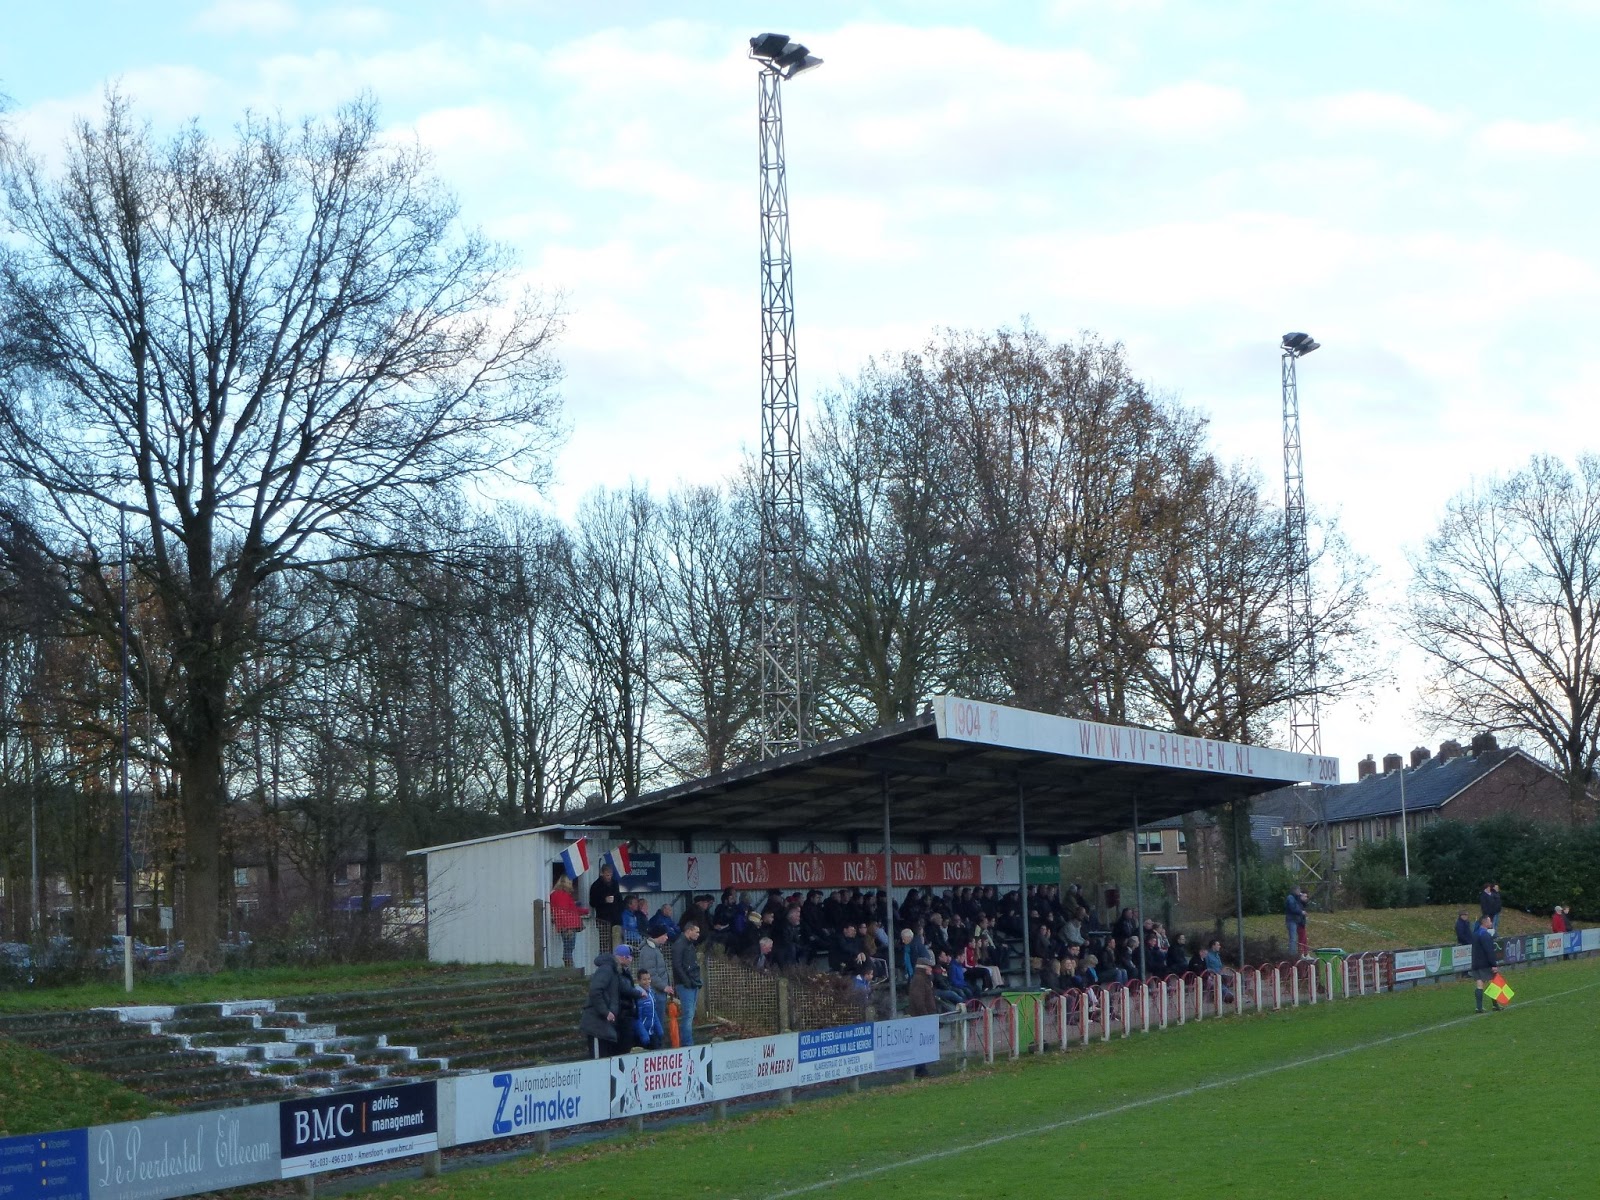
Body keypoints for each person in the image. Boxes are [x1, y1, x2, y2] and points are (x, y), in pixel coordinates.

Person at [580, 944, 630, 1057]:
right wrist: (605, 1011)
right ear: (622, 957)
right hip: (596, 1025)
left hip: (604, 1025)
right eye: (628, 957)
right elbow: (595, 991)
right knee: (598, 1060)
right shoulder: (606, 969)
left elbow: (622, 988)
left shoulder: (614, 971)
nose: (630, 959)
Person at [671, 920, 704, 1046]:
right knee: (688, 1015)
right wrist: (687, 981)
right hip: (685, 985)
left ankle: (688, 1041)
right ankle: (687, 1043)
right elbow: (677, 965)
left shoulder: (689, 944)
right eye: (696, 932)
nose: (698, 934)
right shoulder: (679, 945)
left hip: (692, 983)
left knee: (690, 1014)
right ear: (689, 930)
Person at [548, 874, 588, 968]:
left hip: (567, 925)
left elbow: (569, 910)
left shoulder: (558, 894)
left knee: (569, 947)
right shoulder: (562, 895)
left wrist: (585, 911)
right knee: (569, 947)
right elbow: (563, 911)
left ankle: (569, 967)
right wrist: (567, 927)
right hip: (569, 926)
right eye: (569, 882)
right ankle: (569, 968)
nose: (571, 884)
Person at [1471, 914, 1502, 1013]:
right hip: (1485, 963)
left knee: (1479, 984)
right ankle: (1495, 1005)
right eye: (1489, 921)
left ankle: (1479, 1007)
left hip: (1476, 963)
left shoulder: (1475, 933)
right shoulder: (1485, 935)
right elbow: (1489, 950)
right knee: (1493, 983)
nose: (1491, 923)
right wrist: (1493, 964)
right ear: (1484, 922)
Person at [589, 863, 622, 952]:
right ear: (602, 873)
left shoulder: (615, 883)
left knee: (616, 941)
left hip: (615, 918)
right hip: (603, 918)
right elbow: (592, 902)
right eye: (607, 875)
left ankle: (616, 961)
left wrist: (620, 912)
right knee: (604, 942)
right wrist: (604, 900)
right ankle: (605, 960)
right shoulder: (596, 886)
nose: (609, 877)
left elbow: (619, 899)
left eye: (610, 875)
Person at [632, 968, 665, 1049]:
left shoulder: (651, 993)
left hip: (651, 1033)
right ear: (639, 981)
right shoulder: (638, 996)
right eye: (644, 980)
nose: (647, 982)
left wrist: (659, 1030)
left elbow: (654, 1014)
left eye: (649, 979)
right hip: (641, 1036)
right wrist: (643, 1035)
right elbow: (637, 1018)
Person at [1285, 886, 1307, 959]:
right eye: (1299, 890)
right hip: (1291, 921)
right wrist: (1301, 912)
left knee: (1299, 937)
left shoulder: (1296, 898)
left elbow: (1303, 904)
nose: (1299, 892)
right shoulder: (1290, 898)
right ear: (1295, 890)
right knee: (1293, 938)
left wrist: (1303, 898)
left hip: (1297, 921)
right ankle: (1292, 955)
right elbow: (1293, 908)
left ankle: (1299, 953)